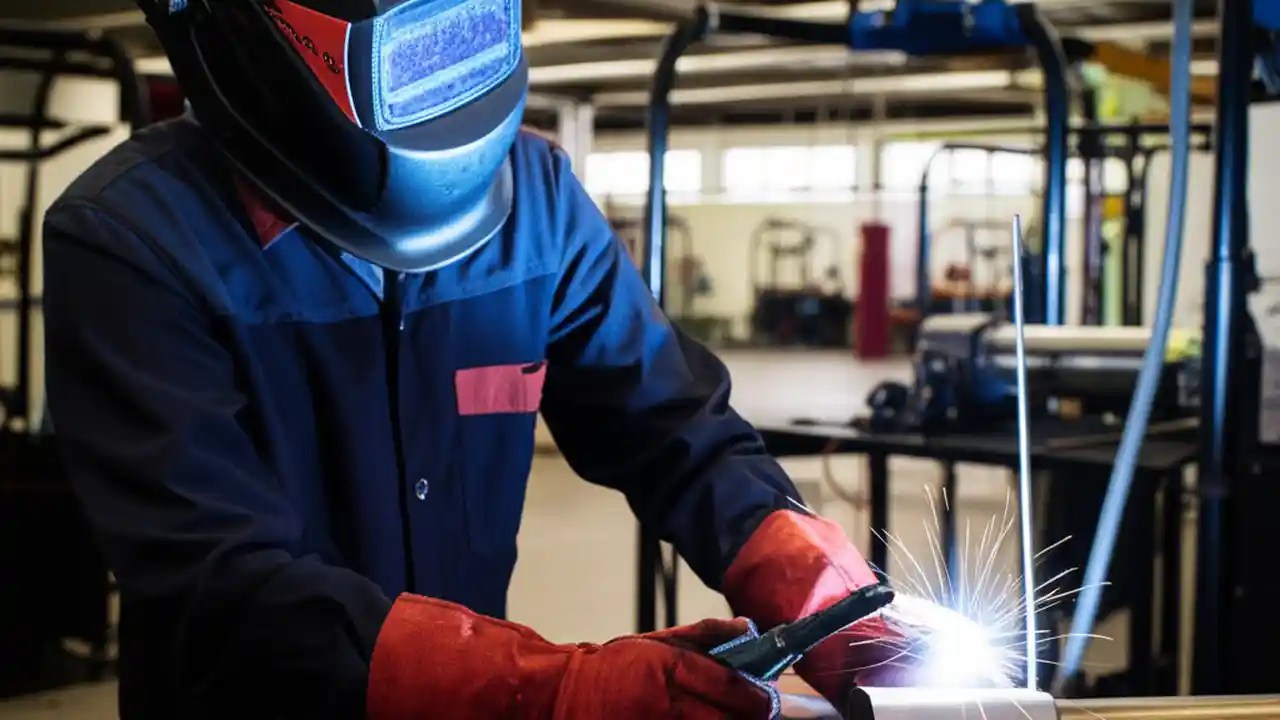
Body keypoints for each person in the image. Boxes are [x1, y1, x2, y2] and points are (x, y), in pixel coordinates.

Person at [42, 1, 914, 717]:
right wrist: (549, 689)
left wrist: (803, 571)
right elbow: (219, 586)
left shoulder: (536, 198)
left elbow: (668, 423)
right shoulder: (133, 241)